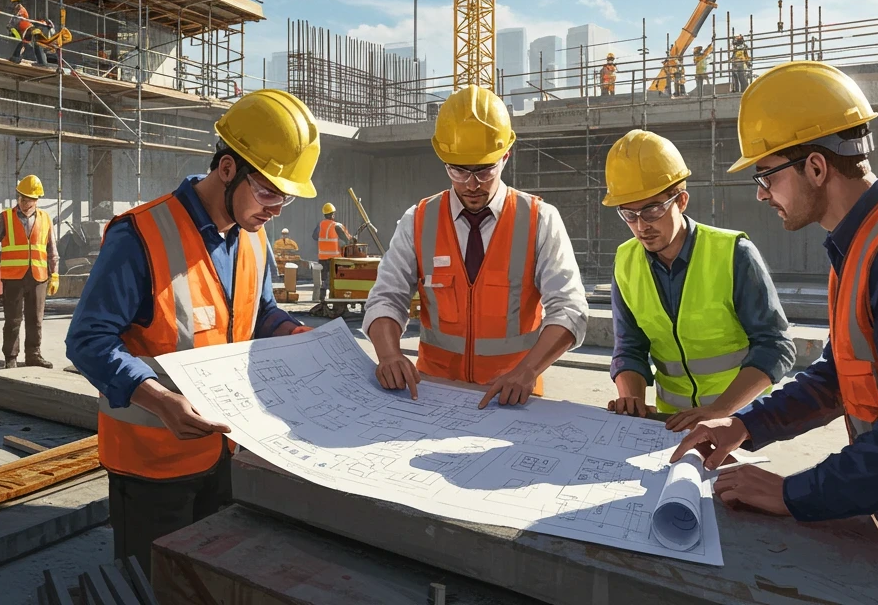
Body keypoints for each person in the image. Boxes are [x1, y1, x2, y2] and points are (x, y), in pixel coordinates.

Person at [672, 61, 878, 605]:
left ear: (815, 166)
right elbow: (841, 376)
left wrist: (793, 494)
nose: (762, 193)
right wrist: (745, 425)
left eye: (767, 174)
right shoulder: (865, 242)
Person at [65, 89, 317, 574]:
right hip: (151, 462)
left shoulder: (254, 237)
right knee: (152, 586)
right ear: (227, 168)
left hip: (226, 449)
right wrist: (160, 401)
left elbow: (259, 311)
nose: (276, 208)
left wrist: (294, 334)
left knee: (207, 581)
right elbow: (88, 340)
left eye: (285, 197)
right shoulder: (139, 234)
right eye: (268, 191)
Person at [363, 85, 588, 407]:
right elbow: (387, 296)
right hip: (432, 391)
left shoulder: (539, 219)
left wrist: (527, 371)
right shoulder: (419, 219)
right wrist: (389, 355)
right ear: (443, 160)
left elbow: (569, 308)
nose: (471, 185)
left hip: (511, 397)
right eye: (458, 171)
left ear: (505, 156)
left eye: (484, 171)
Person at [601, 130, 795, 430]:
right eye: (629, 214)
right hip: (671, 423)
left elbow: (775, 346)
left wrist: (719, 411)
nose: (641, 226)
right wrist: (631, 398)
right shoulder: (626, 261)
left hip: (740, 421)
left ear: (681, 201)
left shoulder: (733, 253)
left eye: (652, 210)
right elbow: (629, 347)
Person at [0, 175, 59, 369]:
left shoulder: (45, 219)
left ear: (37, 199)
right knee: (12, 320)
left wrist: (55, 275)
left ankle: (33, 355)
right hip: (13, 278)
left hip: (38, 277)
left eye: (28, 198)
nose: (23, 201)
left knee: (35, 319)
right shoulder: (5, 217)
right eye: (21, 196)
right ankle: (11, 358)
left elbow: (52, 249)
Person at [7, 0, 49, 66]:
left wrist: (10, 25)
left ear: (18, 2)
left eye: (15, 3)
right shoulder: (17, 10)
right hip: (26, 30)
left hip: (28, 29)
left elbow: (16, 18)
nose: (14, 4)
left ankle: (16, 57)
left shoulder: (21, 9)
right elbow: (14, 18)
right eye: (13, 3)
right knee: (24, 44)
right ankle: (17, 57)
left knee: (24, 43)